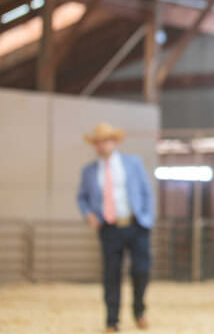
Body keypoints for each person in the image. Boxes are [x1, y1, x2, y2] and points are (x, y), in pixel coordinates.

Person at [77, 122, 155, 333]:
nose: (101, 146)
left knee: (141, 271)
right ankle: (112, 321)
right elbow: (82, 198)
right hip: (109, 228)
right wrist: (88, 215)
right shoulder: (89, 171)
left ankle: (139, 310)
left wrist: (148, 218)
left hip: (136, 225)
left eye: (105, 141)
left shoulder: (133, 163)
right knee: (111, 274)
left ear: (115, 142)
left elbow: (147, 192)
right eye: (98, 142)